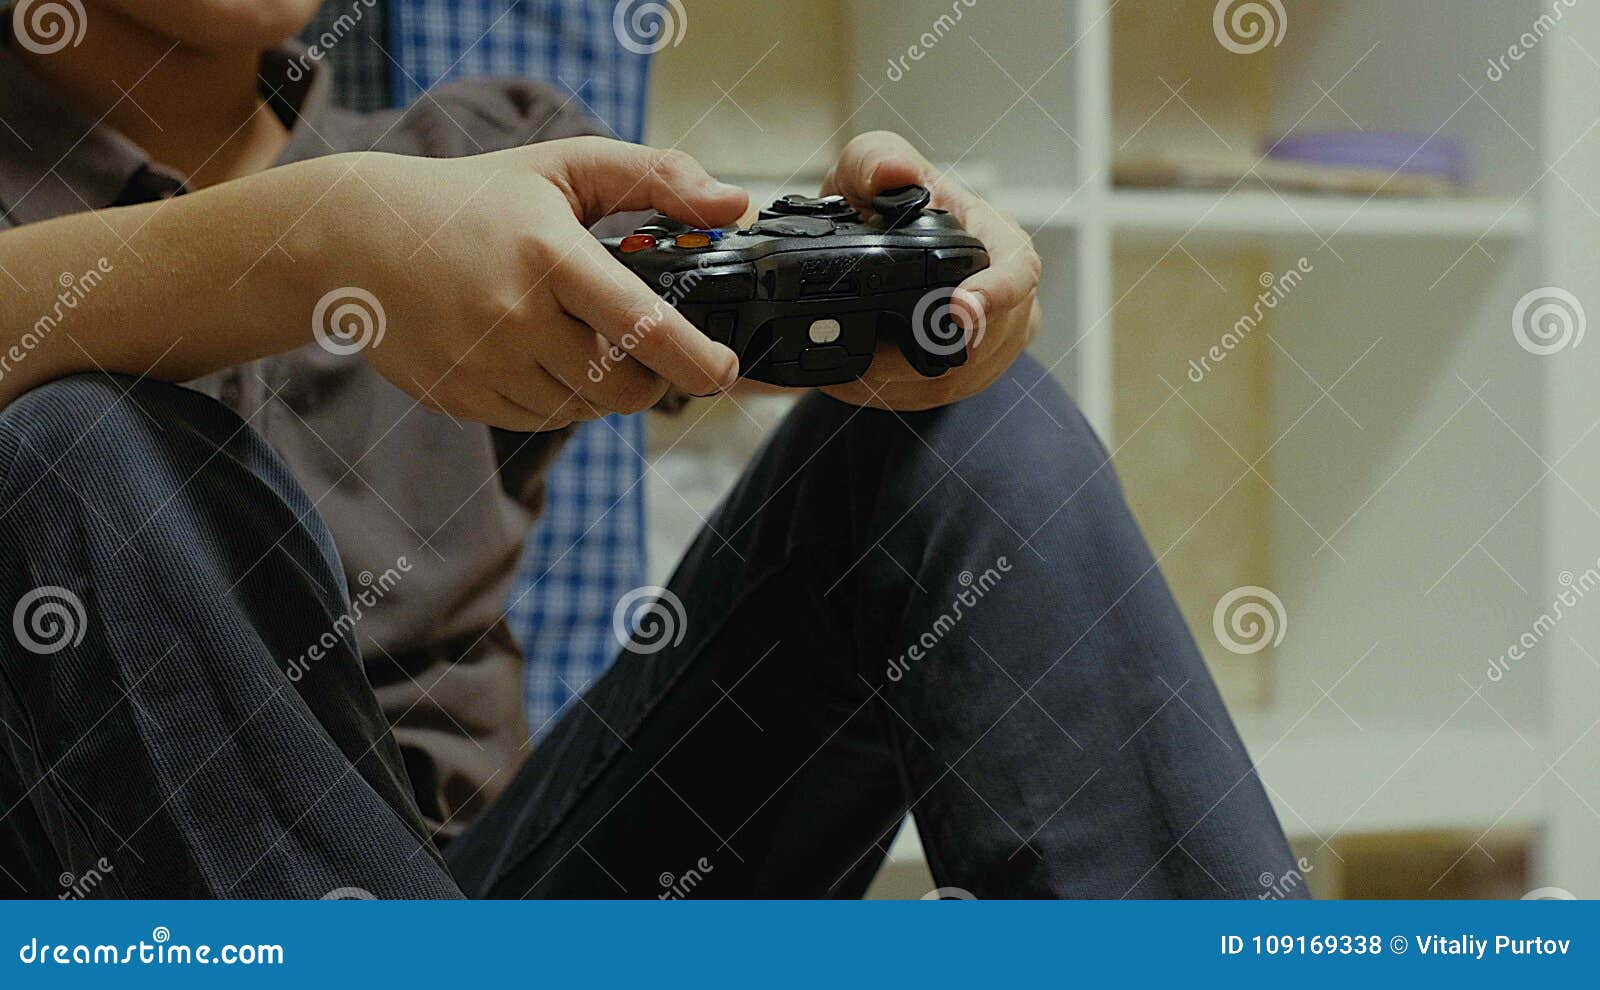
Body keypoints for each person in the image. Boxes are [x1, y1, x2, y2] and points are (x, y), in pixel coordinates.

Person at [0, 0, 1302, 898]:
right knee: (80, 451)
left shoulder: (481, 161)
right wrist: (312, 241)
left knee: (966, 434)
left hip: (507, 890)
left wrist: (908, 308)